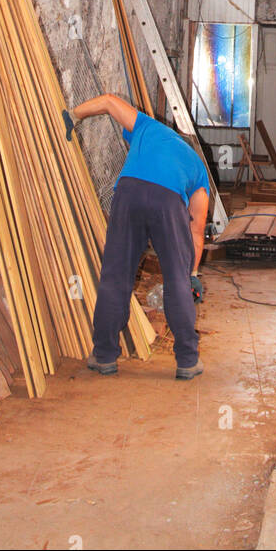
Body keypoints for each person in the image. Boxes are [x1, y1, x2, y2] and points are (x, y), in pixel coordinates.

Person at [63, 94, 209, 380]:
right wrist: (191, 273)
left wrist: (72, 117)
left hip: (129, 193)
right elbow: (197, 230)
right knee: (177, 280)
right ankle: (187, 362)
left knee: (116, 276)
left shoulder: (149, 128)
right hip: (169, 202)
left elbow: (107, 101)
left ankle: (104, 356)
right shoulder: (197, 168)